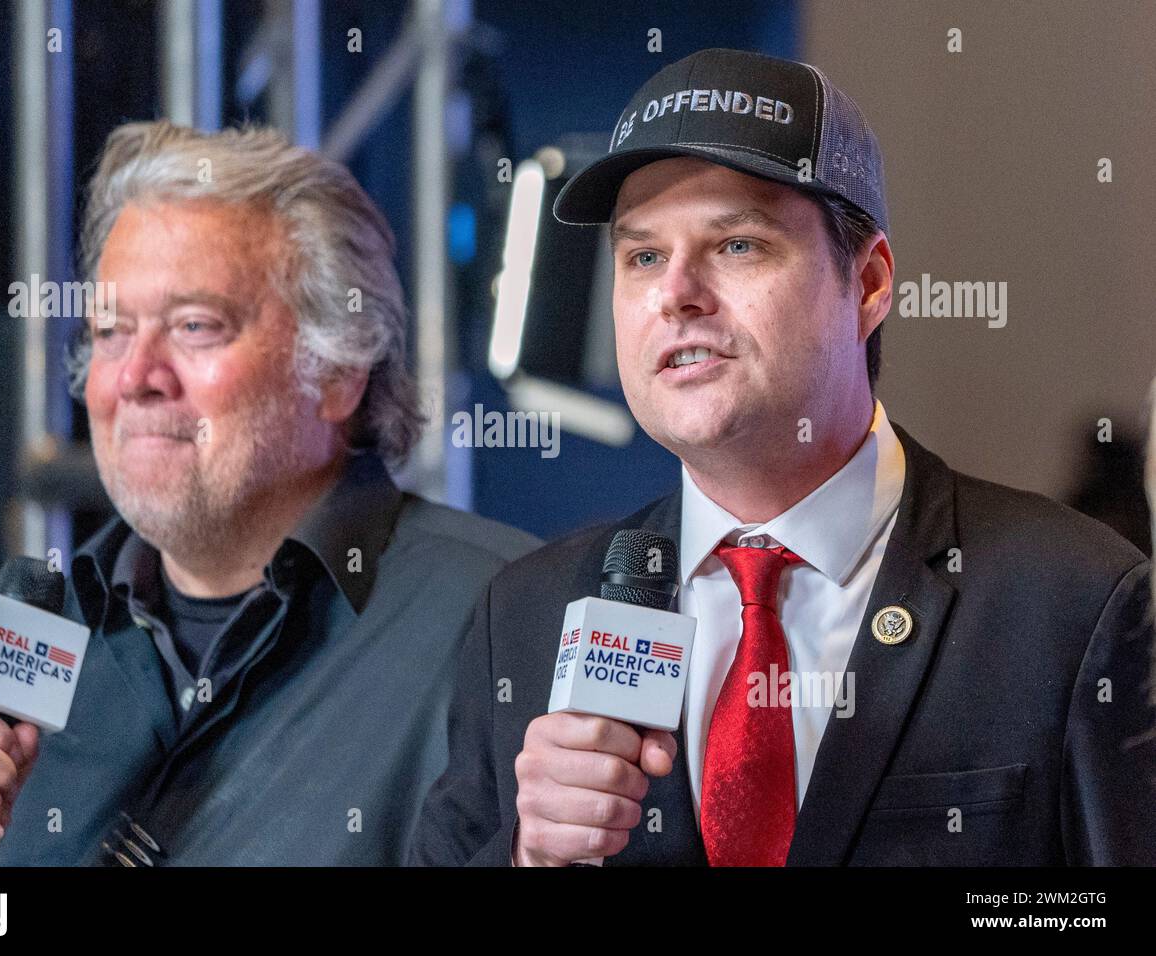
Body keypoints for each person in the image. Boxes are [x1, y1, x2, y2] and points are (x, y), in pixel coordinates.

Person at [410, 48, 1156, 866]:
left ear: (868, 283)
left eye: (736, 245)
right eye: (643, 256)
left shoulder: (1075, 602)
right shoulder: (525, 616)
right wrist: (530, 859)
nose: (676, 292)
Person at [0, 121, 538, 866]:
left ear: (339, 370)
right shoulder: (29, 640)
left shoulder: (504, 619)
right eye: (111, 330)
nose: (135, 376)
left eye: (195, 326)